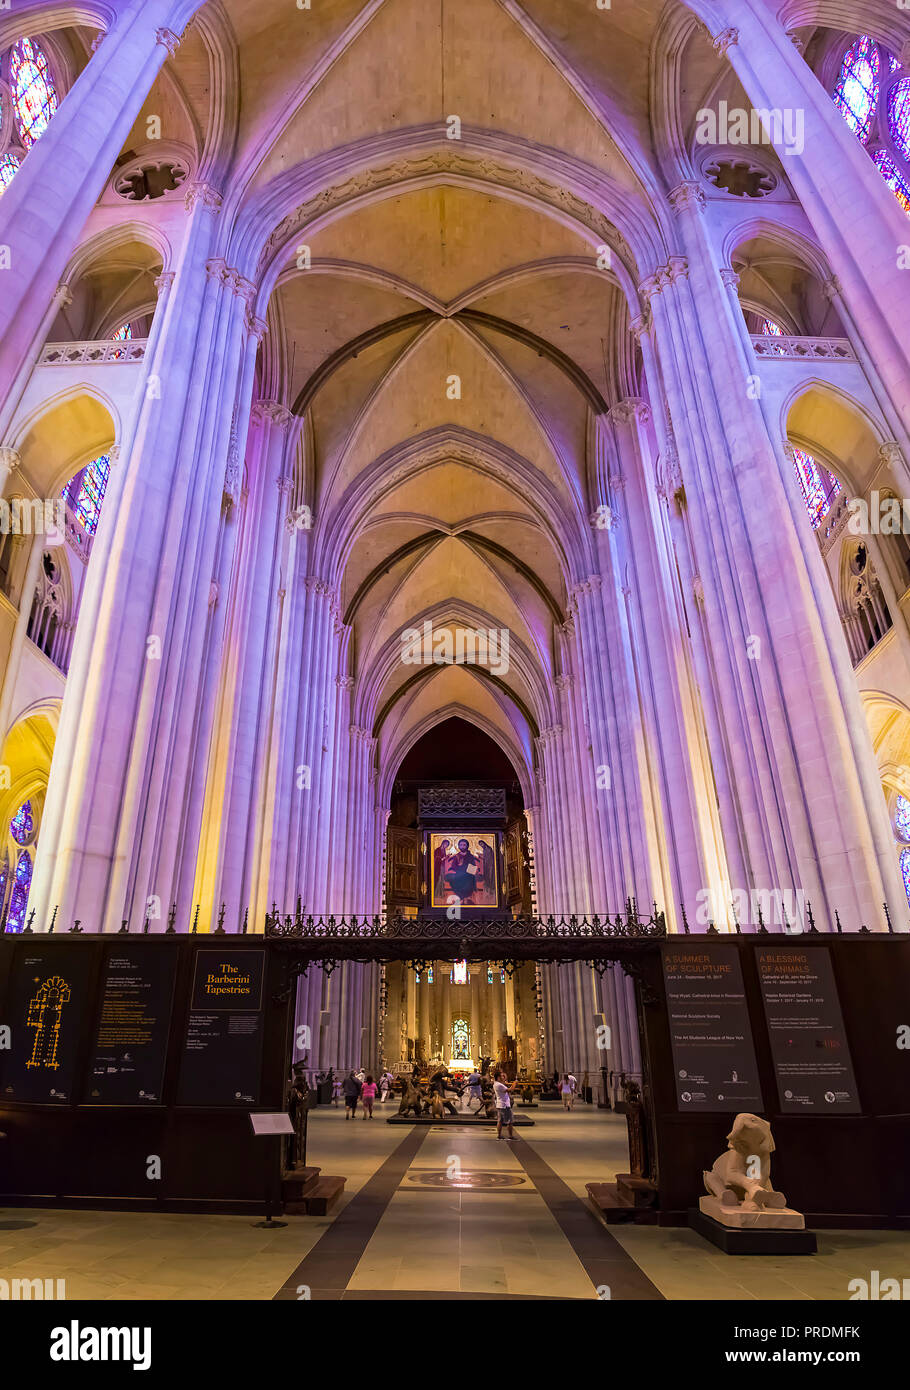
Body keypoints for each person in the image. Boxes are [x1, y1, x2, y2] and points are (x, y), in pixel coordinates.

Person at [493, 1069, 516, 1140]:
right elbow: (510, 1090)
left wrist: (504, 1076)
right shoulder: (499, 1085)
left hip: (500, 1105)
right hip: (504, 1105)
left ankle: (499, 1135)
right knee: (510, 1121)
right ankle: (510, 1136)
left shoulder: (496, 1084)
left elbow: (504, 1083)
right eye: (502, 1076)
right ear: (498, 1077)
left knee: (500, 1120)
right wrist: (515, 1083)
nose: (503, 1077)